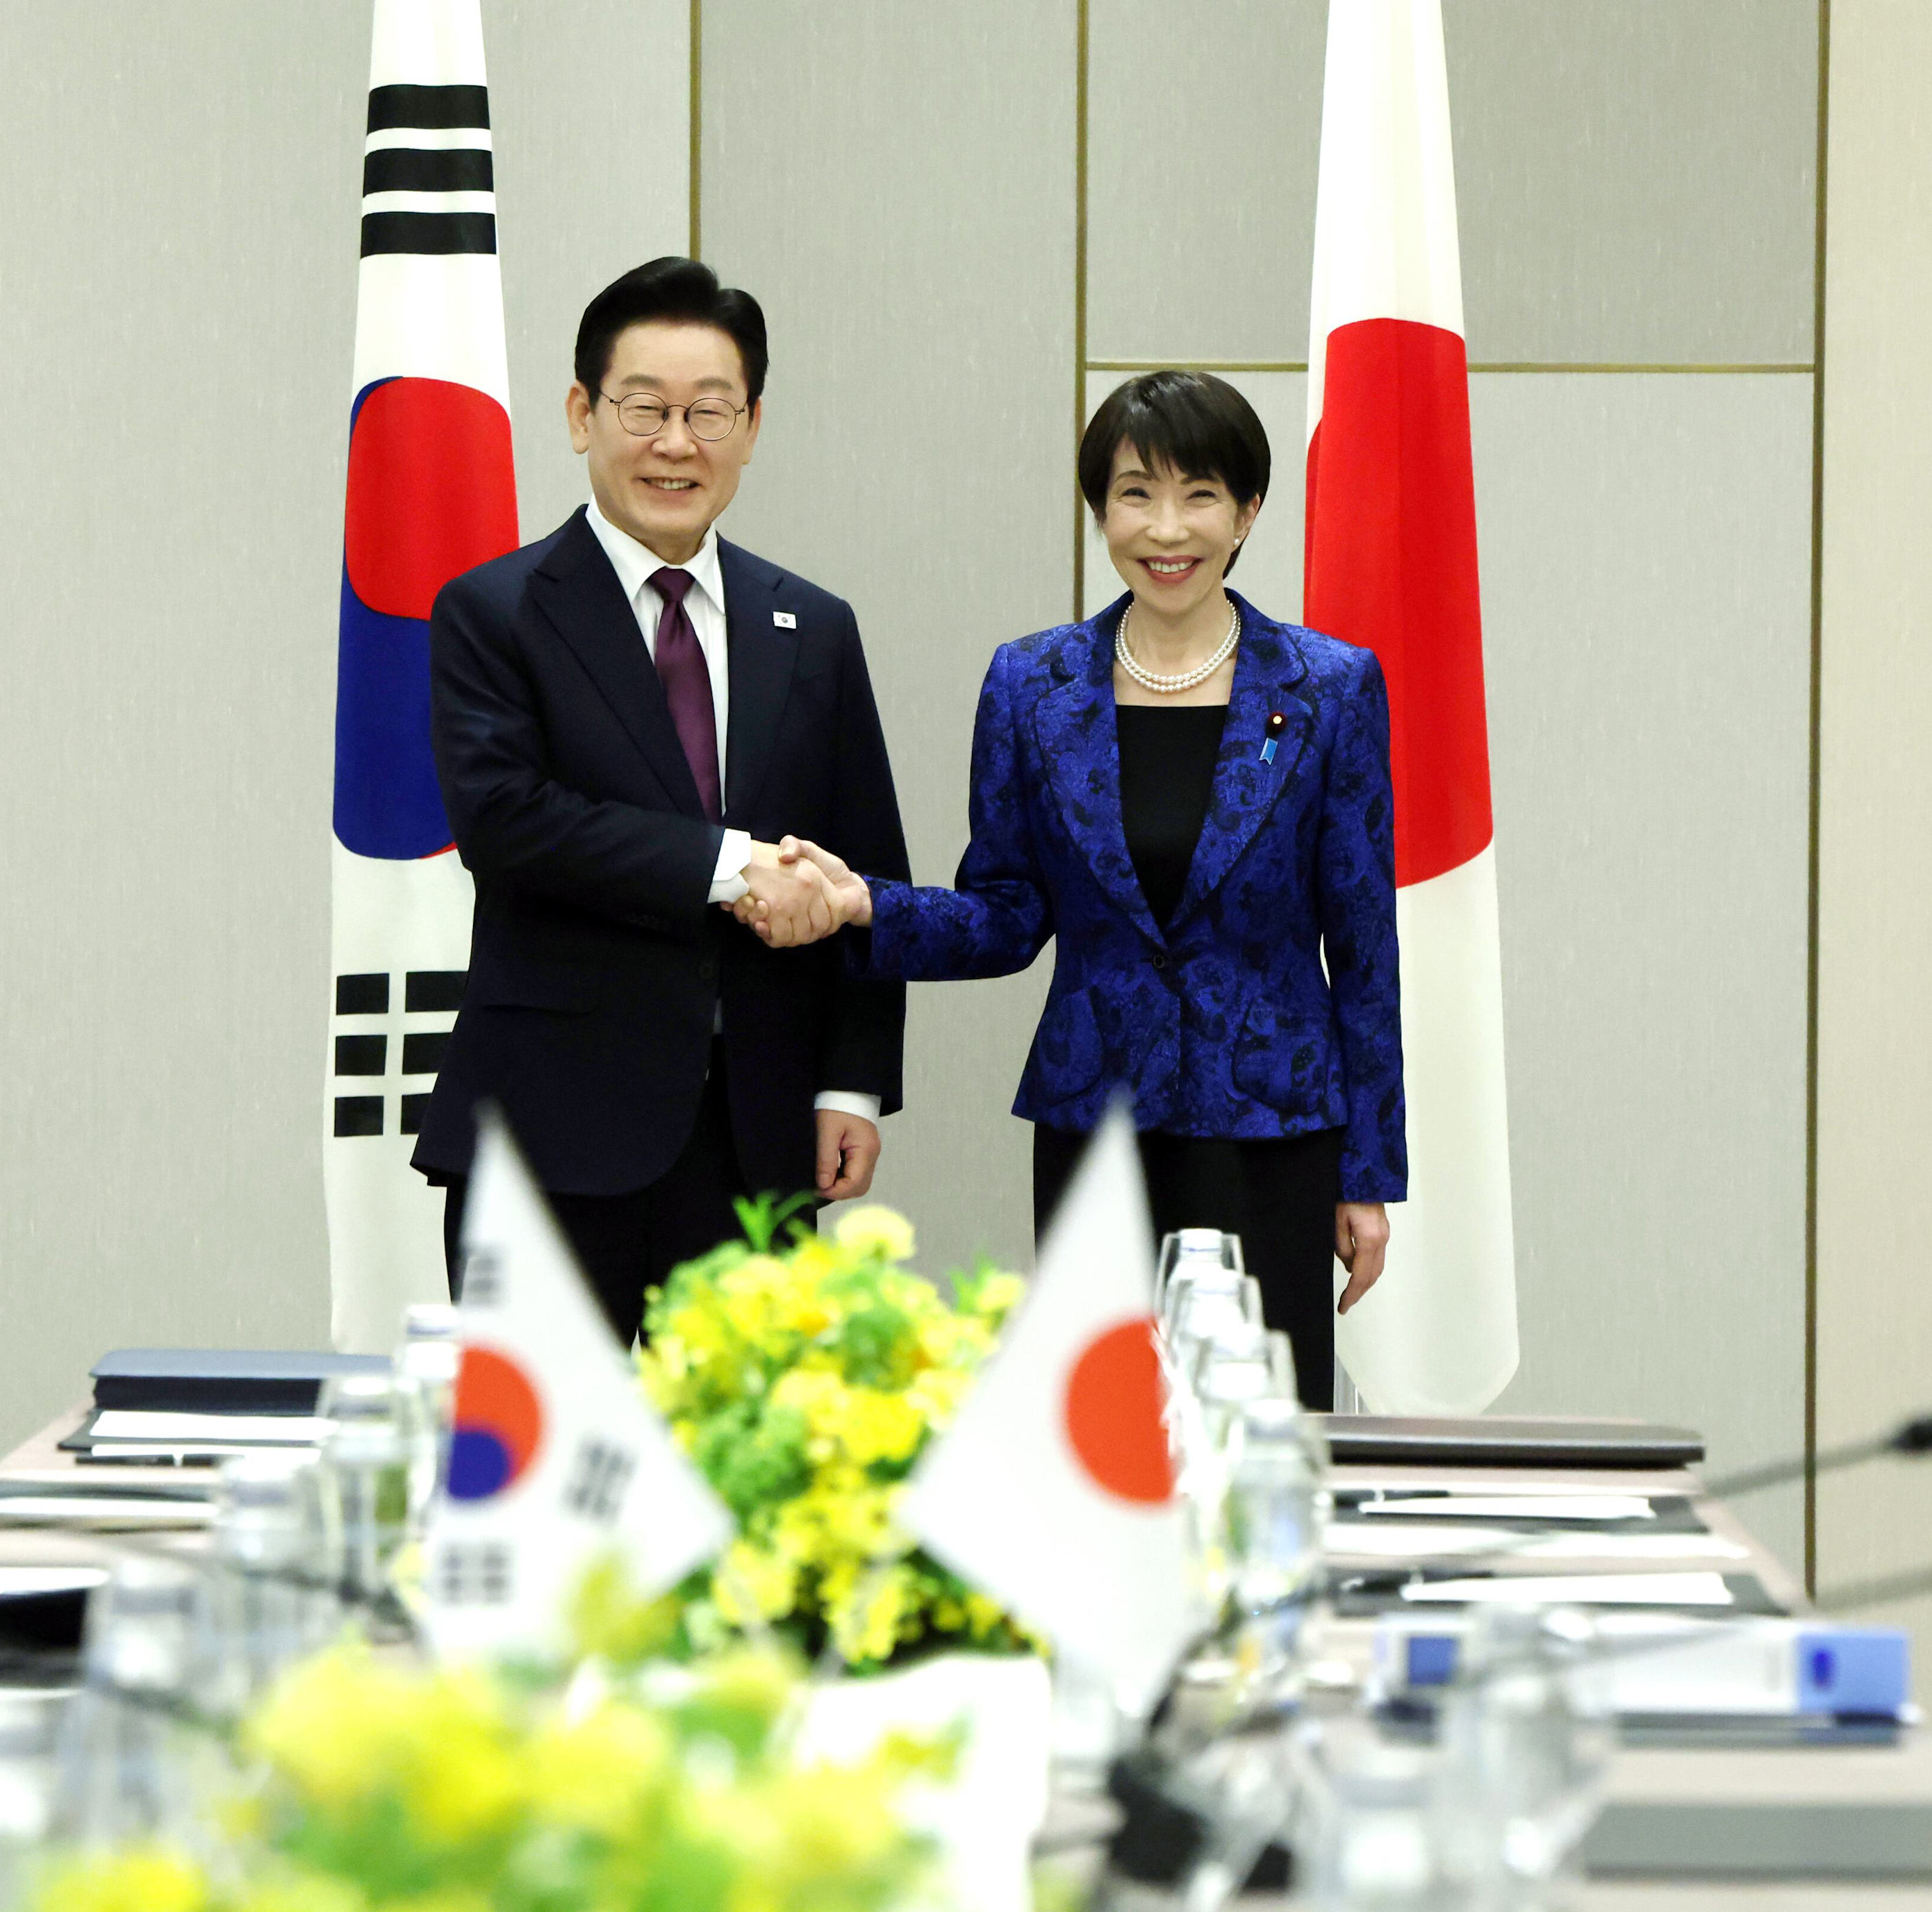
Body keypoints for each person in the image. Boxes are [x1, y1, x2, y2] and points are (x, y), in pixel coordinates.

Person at [745, 370, 1401, 1408]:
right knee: (1100, 1434)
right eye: (1136, 494)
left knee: (1259, 1428)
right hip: (1095, 1121)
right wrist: (865, 905)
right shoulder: (1031, 683)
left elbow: (1364, 948)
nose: (1166, 527)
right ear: (1101, 511)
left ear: (1249, 512)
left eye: (1200, 496)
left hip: (1274, 1128)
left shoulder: (1329, 688)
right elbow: (1005, 913)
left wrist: (1368, 1173)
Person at [413, 256, 911, 1344]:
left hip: (757, 1144)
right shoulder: (492, 612)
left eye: (708, 411)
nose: (676, 443)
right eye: (644, 408)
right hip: (548, 1138)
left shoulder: (812, 627)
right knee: (540, 1489)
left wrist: (855, 1084)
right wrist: (733, 868)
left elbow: (863, 870)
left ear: (752, 424)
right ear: (582, 413)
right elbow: (506, 824)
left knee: (746, 1483)